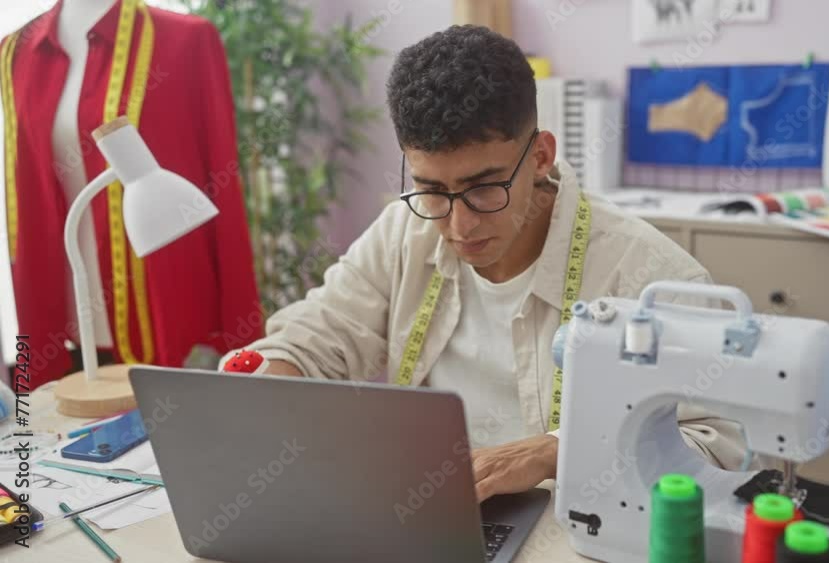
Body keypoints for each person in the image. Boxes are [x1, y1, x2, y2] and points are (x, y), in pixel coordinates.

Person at [224, 25, 747, 502]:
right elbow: (319, 335)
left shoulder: (649, 274)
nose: (459, 225)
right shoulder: (403, 231)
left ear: (540, 157)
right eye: (432, 190)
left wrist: (554, 451)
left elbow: (721, 447)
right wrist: (273, 376)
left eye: (483, 188)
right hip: (429, 507)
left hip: (576, 524)